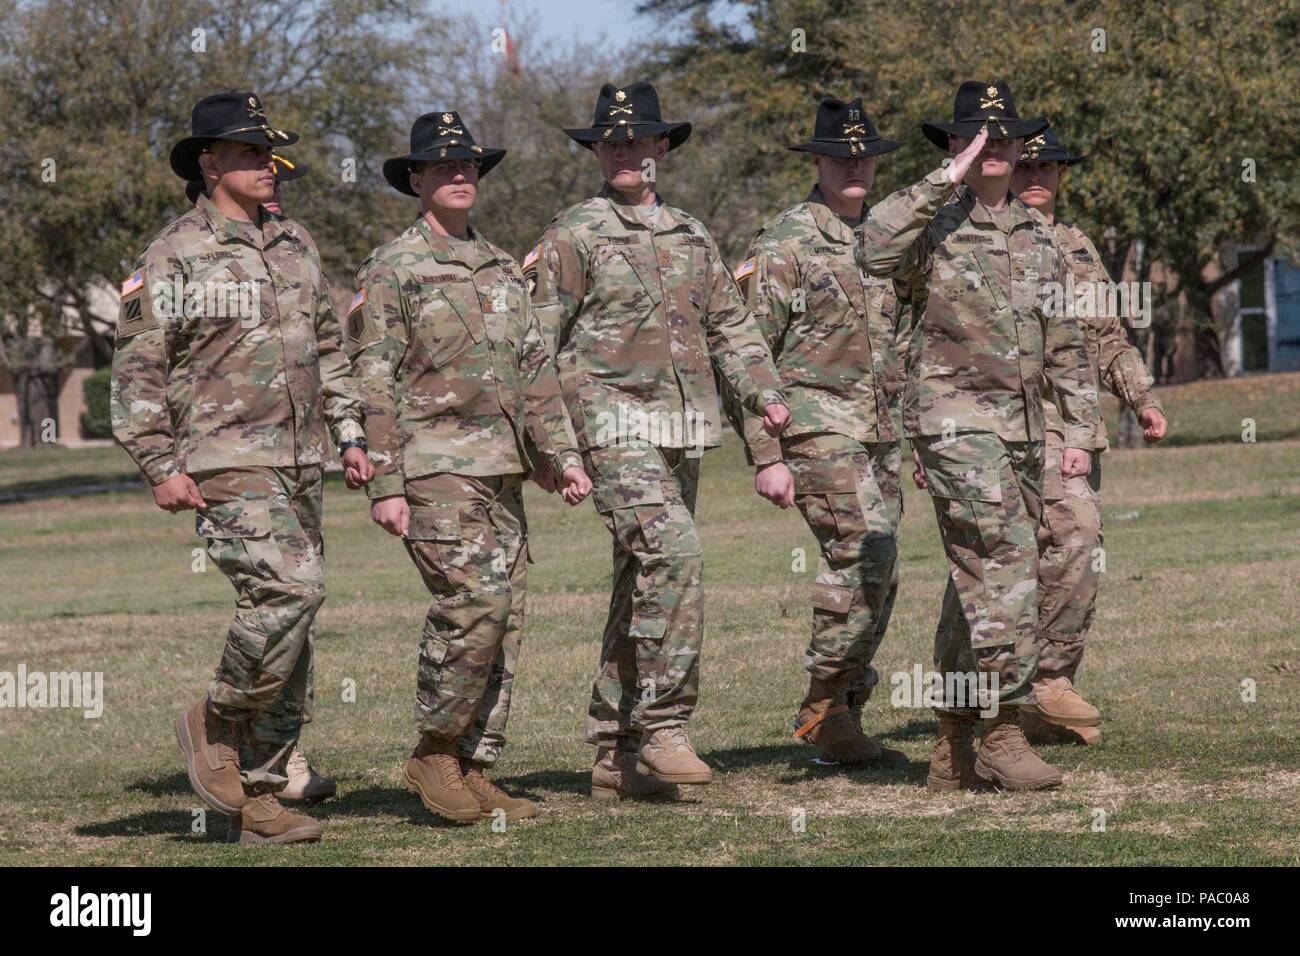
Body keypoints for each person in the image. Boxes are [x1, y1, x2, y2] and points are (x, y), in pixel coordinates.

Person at [112, 92, 373, 843]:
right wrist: (160, 462)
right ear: (209, 161)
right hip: (224, 459)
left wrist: (350, 431)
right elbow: (137, 371)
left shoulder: (295, 242)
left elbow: (330, 347)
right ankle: (214, 720)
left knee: (294, 622)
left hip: (301, 460)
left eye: (271, 152)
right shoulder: (171, 255)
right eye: (252, 153)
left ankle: (260, 795)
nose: (269, 165)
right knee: (291, 587)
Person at [524, 81, 789, 799]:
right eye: (612, 140)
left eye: (639, 139)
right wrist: (551, 446)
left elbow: (732, 330)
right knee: (675, 553)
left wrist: (766, 406)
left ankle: (616, 751)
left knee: (640, 581)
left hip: (682, 429)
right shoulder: (573, 234)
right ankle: (665, 722)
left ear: (662, 147)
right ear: (597, 151)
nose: (625, 150)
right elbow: (532, 346)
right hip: (610, 426)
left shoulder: (693, 234)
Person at [857, 80, 1099, 791]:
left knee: (980, 577)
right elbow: (869, 248)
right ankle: (1002, 730)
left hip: (1025, 433)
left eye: (1004, 138)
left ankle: (952, 743)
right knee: (1006, 557)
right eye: (977, 138)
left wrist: (1079, 427)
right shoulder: (931, 222)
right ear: (958, 147)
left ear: (1023, 146)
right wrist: (944, 176)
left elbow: (1065, 342)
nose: (993, 149)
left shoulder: (1039, 238)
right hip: (952, 422)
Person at [350, 111, 590, 823]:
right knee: (475, 603)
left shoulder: (498, 266)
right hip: (433, 467)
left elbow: (535, 369)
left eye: (469, 167)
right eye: (444, 167)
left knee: (506, 616)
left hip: (501, 470)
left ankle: (473, 763)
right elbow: (375, 377)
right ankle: (433, 750)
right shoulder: (394, 266)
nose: (460, 176)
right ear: (416, 180)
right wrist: (386, 483)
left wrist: (560, 455)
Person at [730, 97, 907, 764]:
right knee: (867, 547)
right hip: (812, 424)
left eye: (864, 154)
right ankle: (823, 695)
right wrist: (765, 454)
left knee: (883, 574)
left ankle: (839, 715)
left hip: (880, 430)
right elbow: (747, 352)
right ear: (817, 161)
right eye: (841, 155)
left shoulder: (890, 240)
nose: (854, 164)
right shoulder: (785, 245)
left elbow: (906, 338)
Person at [1010, 126, 1167, 744]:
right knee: (1004, 560)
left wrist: (1143, 398)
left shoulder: (1076, 247)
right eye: (1025, 167)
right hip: (994, 427)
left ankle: (1048, 683)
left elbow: (1109, 338)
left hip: (1070, 430)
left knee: (1075, 537)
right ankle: (1006, 695)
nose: (1037, 177)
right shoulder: (970, 239)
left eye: (1048, 167)